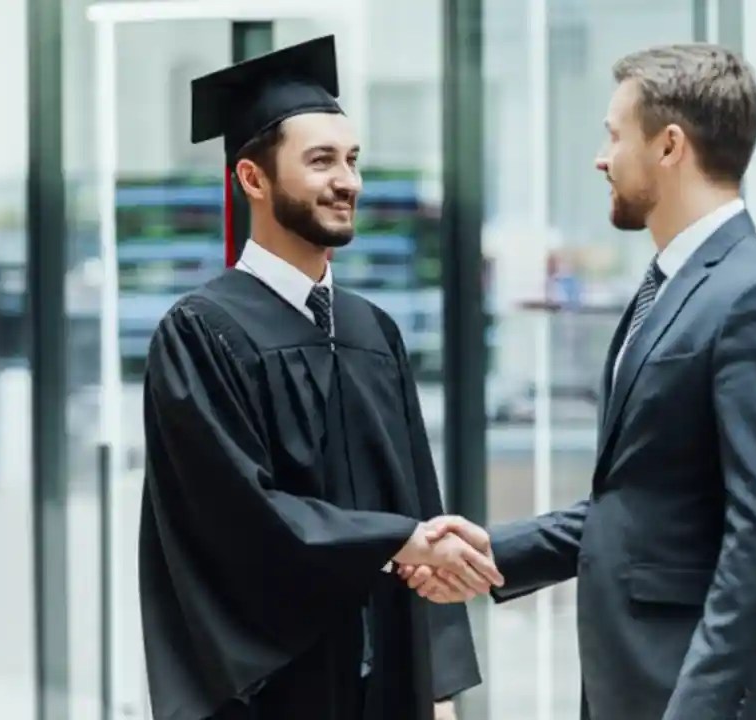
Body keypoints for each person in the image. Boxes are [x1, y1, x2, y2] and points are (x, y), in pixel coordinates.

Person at [406, 43, 756, 719]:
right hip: (634, 688)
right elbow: (645, 502)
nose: (601, 158)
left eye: (613, 135)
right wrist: (497, 554)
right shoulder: (667, 291)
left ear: (669, 146)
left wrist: (695, 707)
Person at [139, 35, 500, 720]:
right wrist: (395, 538)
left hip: (389, 687)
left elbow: (420, 499)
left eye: (353, 160)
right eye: (321, 160)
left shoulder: (373, 332)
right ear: (253, 179)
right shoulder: (201, 333)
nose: (348, 181)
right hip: (274, 694)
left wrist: (443, 690)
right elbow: (236, 517)